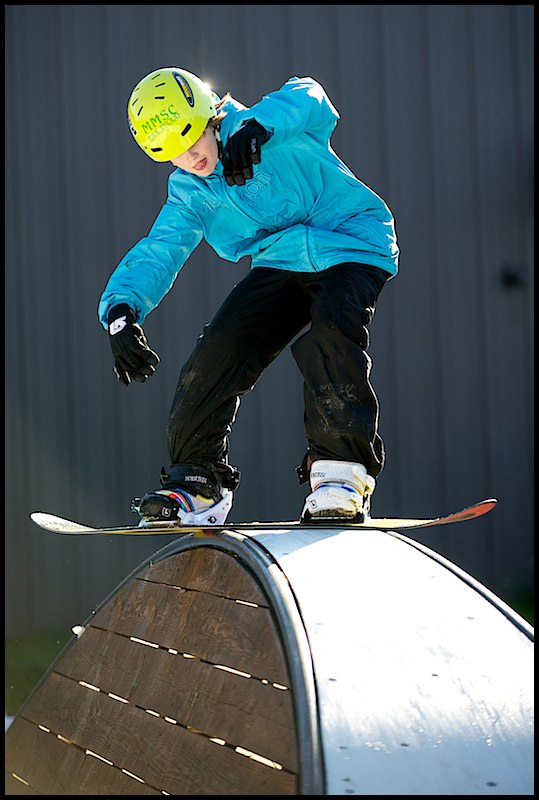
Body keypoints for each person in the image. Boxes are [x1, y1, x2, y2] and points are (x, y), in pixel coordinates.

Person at [98, 67, 399, 526]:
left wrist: (261, 126)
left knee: (330, 336)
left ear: (207, 115)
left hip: (350, 242)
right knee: (218, 351)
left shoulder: (263, 127)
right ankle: (197, 483)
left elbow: (311, 95)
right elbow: (159, 250)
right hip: (281, 262)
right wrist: (122, 309)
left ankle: (340, 474)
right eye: (172, 154)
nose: (189, 158)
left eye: (191, 140)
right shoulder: (190, 193)